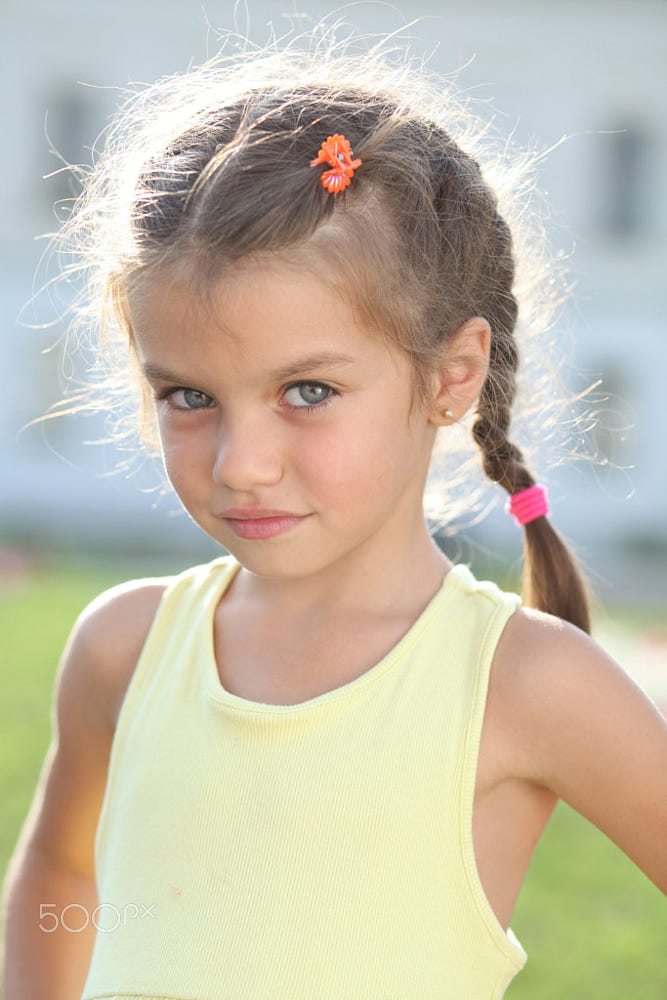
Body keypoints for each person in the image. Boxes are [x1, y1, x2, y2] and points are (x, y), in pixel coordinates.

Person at [2, 35, 666, 1000]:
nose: (241, 463)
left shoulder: (524, 684)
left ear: (451, 376)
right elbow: (62, 877)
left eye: (306, 391)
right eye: (189, 397)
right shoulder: (123, 649)